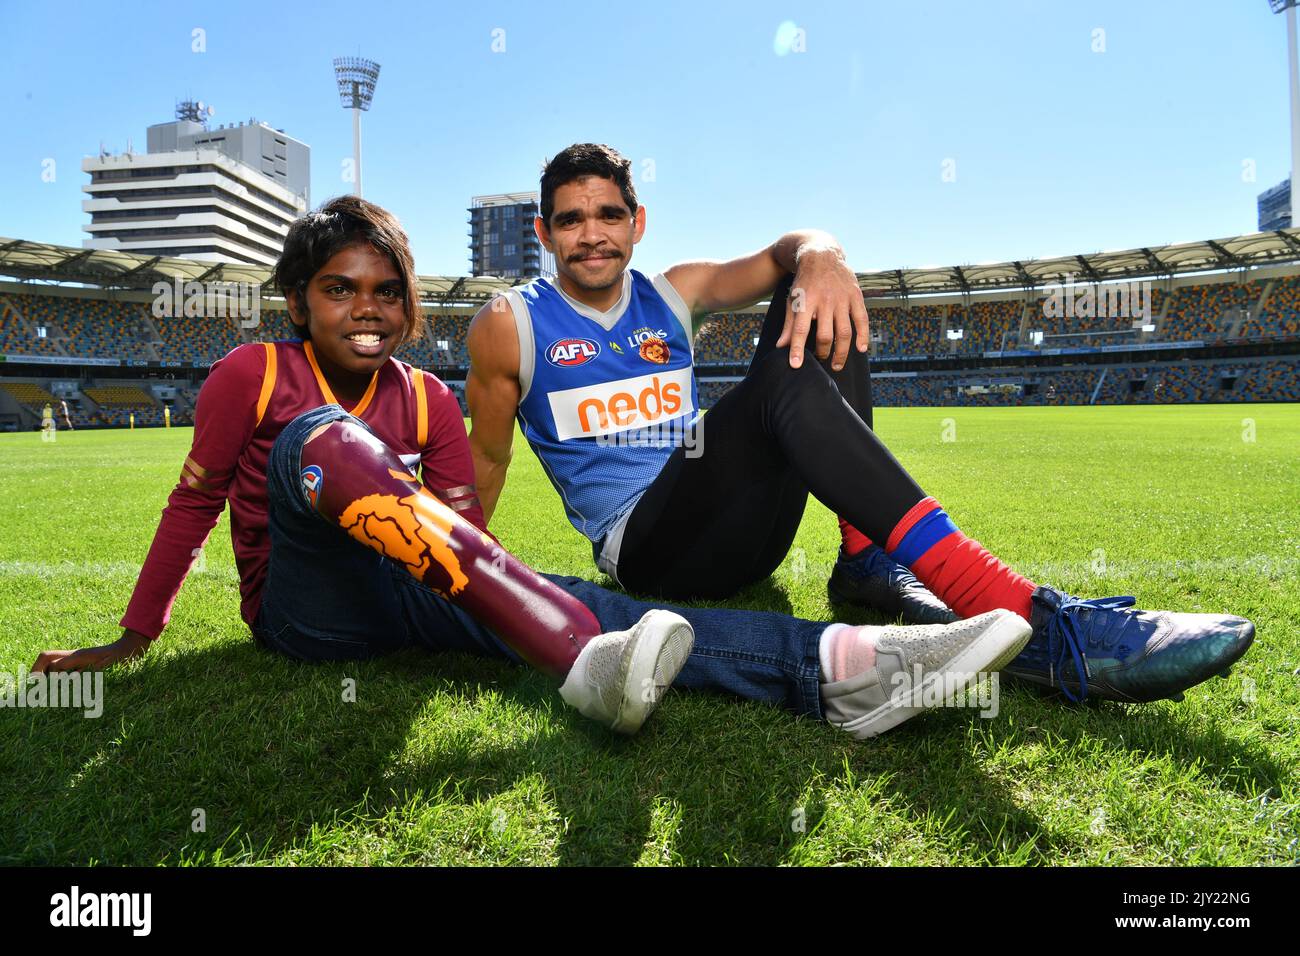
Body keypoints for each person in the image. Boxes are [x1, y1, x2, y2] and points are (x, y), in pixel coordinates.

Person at [29, 195, 1034, 740]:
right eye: (339, 290)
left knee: (609, 614)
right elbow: (193, 499)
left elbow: (468, 538)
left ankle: (844, 669)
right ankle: (571, 657)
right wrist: (133, 636)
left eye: (385, 291)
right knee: (319, 441)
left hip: (406, 578)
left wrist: (504, 589)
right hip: (303, 608)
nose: (365, 308)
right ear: (300, 302)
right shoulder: (255, 372)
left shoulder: (430, 399)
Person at [465, 143, 1255, 705]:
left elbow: (790, 250)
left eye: (608, 214)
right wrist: (453, 582)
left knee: (813, 301)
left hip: (743, 535)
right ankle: (1035, 620)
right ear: (543, 233)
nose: (592, 233)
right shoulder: (512, 324)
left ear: (639, 221)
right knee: (785, 379)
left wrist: (823, 253)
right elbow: (487, 463)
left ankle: (863, 560)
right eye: (570, 220)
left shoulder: (674, 292)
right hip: (648, 548)